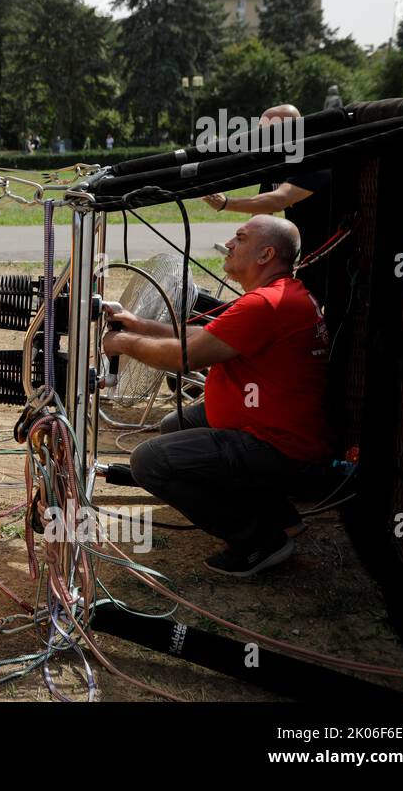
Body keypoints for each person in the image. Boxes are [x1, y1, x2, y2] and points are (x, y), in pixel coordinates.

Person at [103, 214, 333, 577]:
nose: (228, 244)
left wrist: (123, 343)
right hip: (274, 426)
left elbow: (187, 356)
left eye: (240, 238)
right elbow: (202, 335)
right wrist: (140, 325)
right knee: (175, 424)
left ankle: (259, 541)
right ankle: (279, 516)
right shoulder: (277, 296)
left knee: (148, 461)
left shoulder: (266, 305)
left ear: (265, 255)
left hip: (277, 446)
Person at [200, 103, 332, 301]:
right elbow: (261, 218)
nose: (261, 138)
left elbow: (278, 200)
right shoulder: (276, 163)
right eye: (260, 131)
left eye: (269, 131)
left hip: (336, 253)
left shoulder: (314, 158)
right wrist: (243, 255)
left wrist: (226, 203)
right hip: (309, 254)